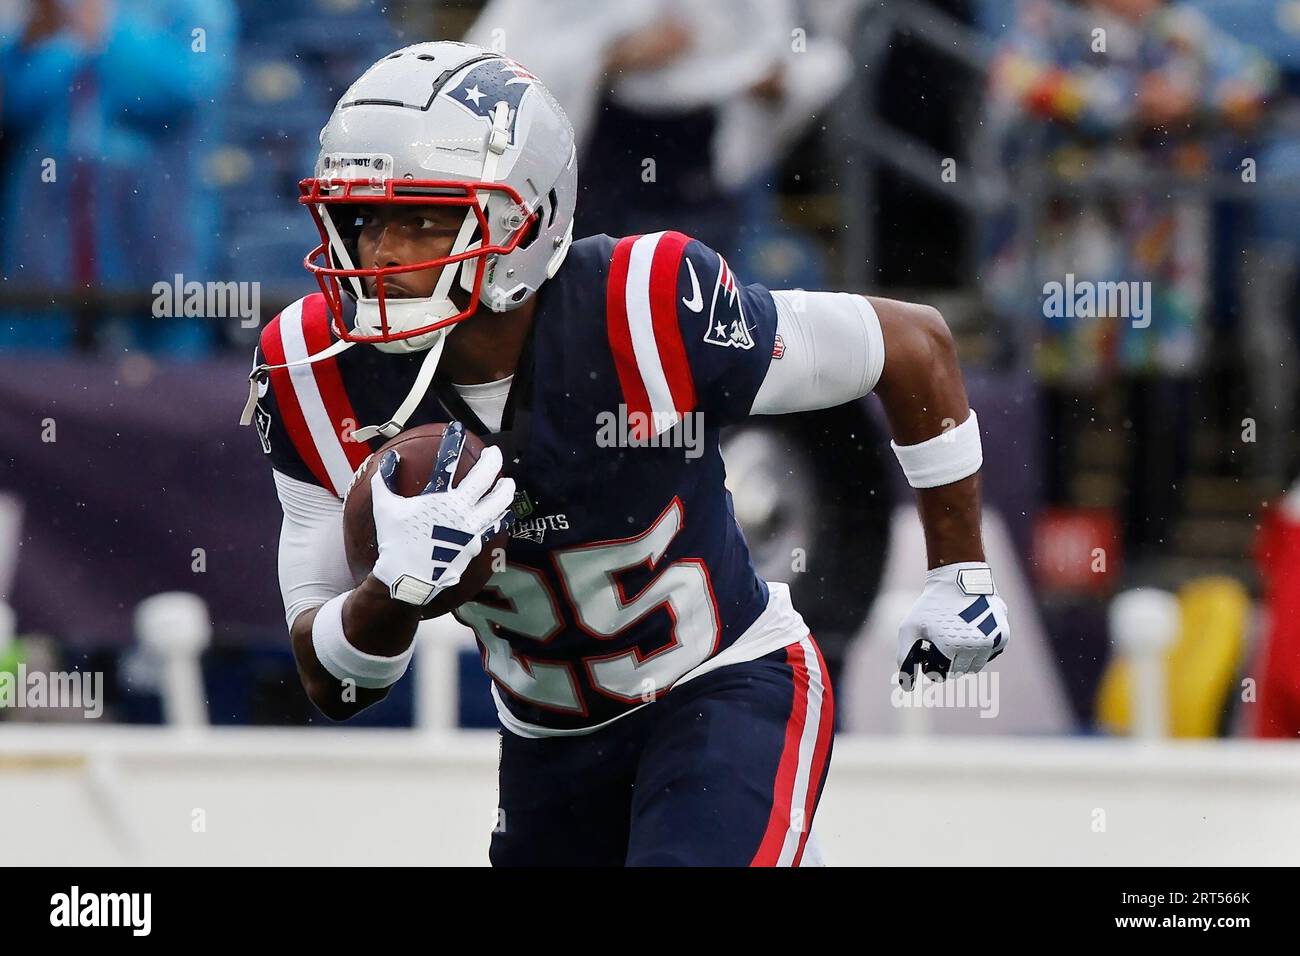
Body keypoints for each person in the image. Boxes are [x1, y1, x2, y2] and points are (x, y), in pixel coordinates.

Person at [241, 41, 1010, 867]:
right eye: (363, 219)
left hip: (722, 685)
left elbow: (915, 344)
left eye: (423, 216)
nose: (383, 254)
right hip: (547, 744)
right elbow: (339, 684)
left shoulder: (645, 307)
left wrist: (958, 575)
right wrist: (391, 595)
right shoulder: (311, 373)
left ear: (521, 220)